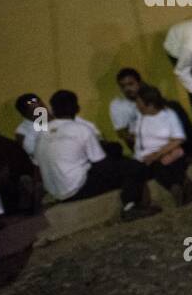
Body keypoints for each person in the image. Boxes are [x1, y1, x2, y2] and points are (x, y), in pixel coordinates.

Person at [34, 90, 158, 222]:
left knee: (114, 157)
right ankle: (131, 207)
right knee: (134, 166)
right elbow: (102, 164)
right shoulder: (80, 129)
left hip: (56, 193)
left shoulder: (41, 134)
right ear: (77, 108)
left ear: (52, 110)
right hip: (77, 189)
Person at [132, 84, 192, 206]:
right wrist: (145, 157)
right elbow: (139, 144)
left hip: (168, 152)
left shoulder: (168, 114)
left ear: (149, 104)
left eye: (139, 102)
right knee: (157, 168)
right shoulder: (141, 119)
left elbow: (178, 139)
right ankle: (177, 187)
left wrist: (158, 154)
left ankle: (180, 185)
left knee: (171, 162)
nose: (137, 106)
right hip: (150, 157)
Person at [108, 71, 142, 151]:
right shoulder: (117, 104)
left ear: (139, 83)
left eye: (130, 84)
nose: (127, 89)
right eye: (122, 86)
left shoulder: (150, 96)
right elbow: (122, 133)